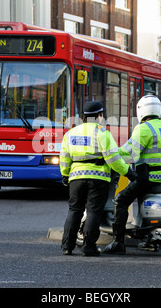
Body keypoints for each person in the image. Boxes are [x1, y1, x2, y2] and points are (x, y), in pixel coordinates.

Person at [59, 101, 138, 256]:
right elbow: (113, 159)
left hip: (76, 178)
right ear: (100, 116)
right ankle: (88, 247)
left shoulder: (70, 133)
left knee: (74, 210)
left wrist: (65, 174)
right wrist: (129, 173)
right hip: (98, 179)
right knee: (94, 211)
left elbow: (64, 157)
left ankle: (67, 246)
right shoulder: (102, 133)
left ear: (83, 117)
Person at [101, 95, 161, 255]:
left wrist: (111, 153)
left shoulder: (144, 128)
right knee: (143, 202)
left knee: (121, 200)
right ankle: (150, 240)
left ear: (141, 111)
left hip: (149, 177)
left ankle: (118, 243)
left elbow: (129, 153)